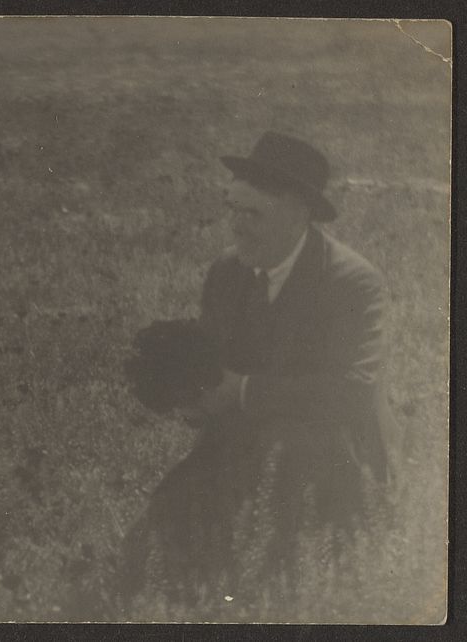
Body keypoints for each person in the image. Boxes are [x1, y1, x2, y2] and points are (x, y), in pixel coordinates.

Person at [118, 132, 402, 604]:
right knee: (158, 536)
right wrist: (187, 394)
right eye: (233, 209)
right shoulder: (227, 273)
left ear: (299, 212)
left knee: (284, 573)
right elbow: (213, 368)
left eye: (253, 214)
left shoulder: (352, 283)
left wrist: (243, 392)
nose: (236, 227)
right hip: (241, 444)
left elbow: (351, 394)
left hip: (329, 451)